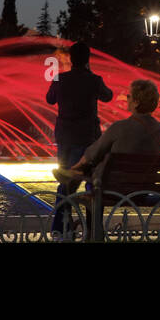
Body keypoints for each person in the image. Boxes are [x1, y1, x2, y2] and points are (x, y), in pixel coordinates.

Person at [46, 42, 113, 233]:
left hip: (65, 138)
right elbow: (108, 96)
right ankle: (93, 228)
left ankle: (61, 226)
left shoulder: (60, 79)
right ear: (87, 60)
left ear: (70, 59)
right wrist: (90, 73)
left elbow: (49, 99)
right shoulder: (94, 80)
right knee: (93, 182)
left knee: (66, 181)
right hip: (88, 139)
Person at [54, 78, 160, 190]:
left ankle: (73, 174)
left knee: (94, 158)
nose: (126, 99)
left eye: (129, 96)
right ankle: (73, 176)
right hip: (143, 187)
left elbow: (94, 152)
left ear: (136, 102)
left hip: (114, 186)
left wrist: (79, 165)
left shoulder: (120, 127)